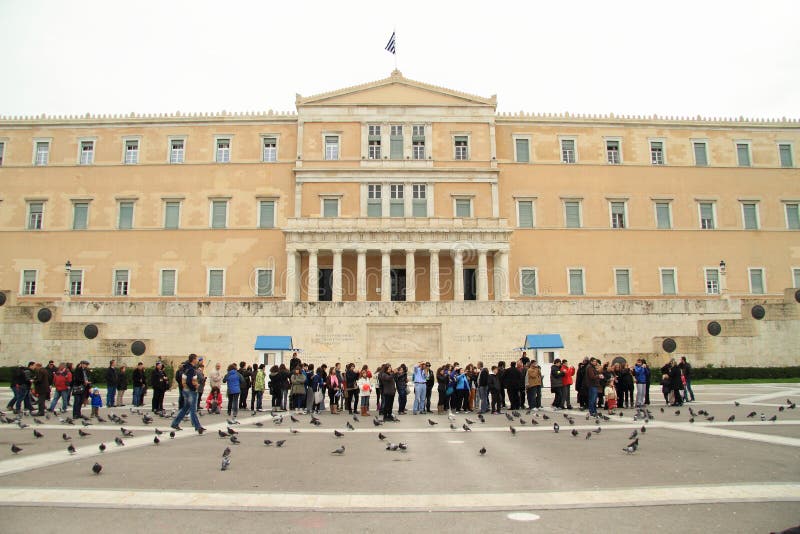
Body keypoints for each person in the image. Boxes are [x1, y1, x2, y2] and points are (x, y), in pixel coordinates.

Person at [170, 354, 206, 434]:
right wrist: (194, 387)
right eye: (196, 359)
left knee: (185, 408)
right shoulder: (191, 369)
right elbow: (189, 381)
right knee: (193, 410)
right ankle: (198, 426)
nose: (197, 360)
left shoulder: (186, 368)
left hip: (186, 390)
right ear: (193, 360)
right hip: (191, 391)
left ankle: (175, 423)